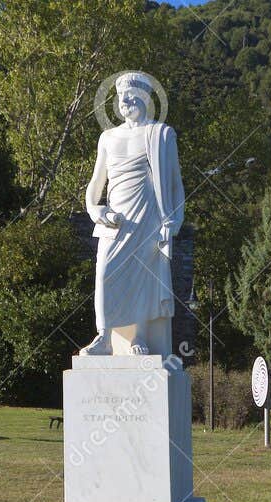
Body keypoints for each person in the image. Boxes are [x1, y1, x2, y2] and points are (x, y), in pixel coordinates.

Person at [80, 72, 185, 359]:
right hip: (115, 222)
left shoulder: (160, 134)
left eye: (130, 94)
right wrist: (95, 209)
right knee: (104, 274)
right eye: (120, 96)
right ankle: (104, 336)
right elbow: (95, 184)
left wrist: (174, 221)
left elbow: (175, 184)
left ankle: (138, 336)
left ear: (145, 98)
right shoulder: (108, 137)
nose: (124, 101)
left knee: (142, 278)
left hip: (147, 220)